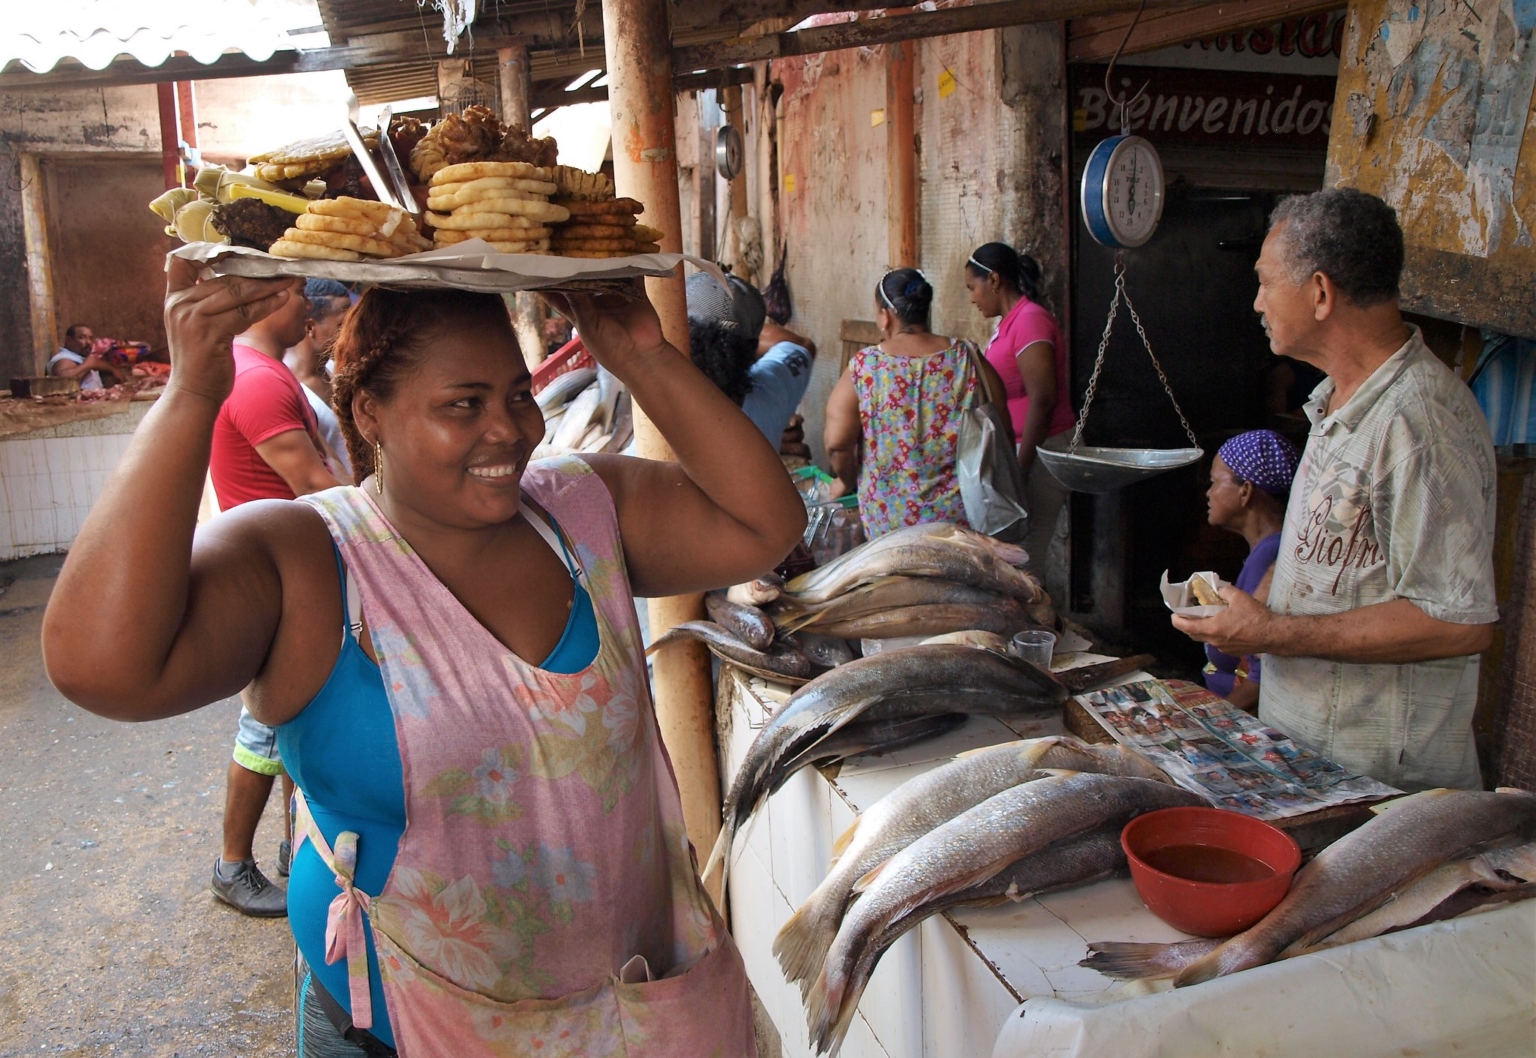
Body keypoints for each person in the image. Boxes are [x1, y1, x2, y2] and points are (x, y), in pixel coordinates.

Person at [42, 260, 803, 1054]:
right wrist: (193, 393)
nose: (509, 428)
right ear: (369, 414)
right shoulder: (308, 557)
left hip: (617, 1015)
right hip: (395, 1032)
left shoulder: (580, 510)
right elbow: (101, 666)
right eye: (461, 405)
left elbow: (763, 525)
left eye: (516, 394)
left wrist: (641, 353)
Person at [1172, 188, 1497, 791]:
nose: (1257, 302)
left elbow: (1458, 623)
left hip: (1379, 787)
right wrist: (1257, 615)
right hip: (1308, 758)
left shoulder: (1419, 422)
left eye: (1266, 283)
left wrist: (1271, 633)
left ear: (1320, 293)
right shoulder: (1333, 405)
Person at [209, 277, 343, 917]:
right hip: (272, 578)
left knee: (295, 710)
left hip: (291, 569)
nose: (313, 312)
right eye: (302, 296)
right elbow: (316, 484)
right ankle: (233, 864)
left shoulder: (264, 369)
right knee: (263, 726)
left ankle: (298, 843)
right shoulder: (258, 381)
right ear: (281, 299)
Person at [823, 268, 1009, 537]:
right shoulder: (967, 357)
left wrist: (846, 480)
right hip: (962, 519)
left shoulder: (865, 368)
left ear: (885, 317)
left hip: (890, 523)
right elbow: (1000, 423)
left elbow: (837, 443)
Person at [964, 244, 1073, 573]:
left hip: (1042, 450)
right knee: (1012, 555)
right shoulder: (1010, 323)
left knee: (1024, 557)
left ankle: (1036, 623)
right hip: (1021, 451)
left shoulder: (1030, 321)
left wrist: (1020, 467)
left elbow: (1043, 399)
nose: (972, 298)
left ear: (994, 280)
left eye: (973, 287)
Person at [1199, 430, 1300, 711]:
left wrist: (1210, 725)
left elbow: (1260, 678)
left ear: (1245, 491)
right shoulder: (1269, 548)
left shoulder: (1270, 556)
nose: (1208, 493)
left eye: (1214, 482)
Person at [684, 271, 816, 444]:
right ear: (753, 347)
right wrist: (735, 339)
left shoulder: (656, 418)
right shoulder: (772, 390)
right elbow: (802, 345)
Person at [286, 279, 354, 480]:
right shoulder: (292, 389)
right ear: (310, 328)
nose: (351, 334)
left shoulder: (340, 371)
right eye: (342, 325)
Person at [48, 324, 125, 391]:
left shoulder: (79, 357)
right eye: (82, 337)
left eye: (90, 338)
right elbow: (61, 379)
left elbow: (94, 362)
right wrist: (87, 365)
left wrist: (113, 370)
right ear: (69, 340)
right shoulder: (64, 358)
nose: (88, 342)